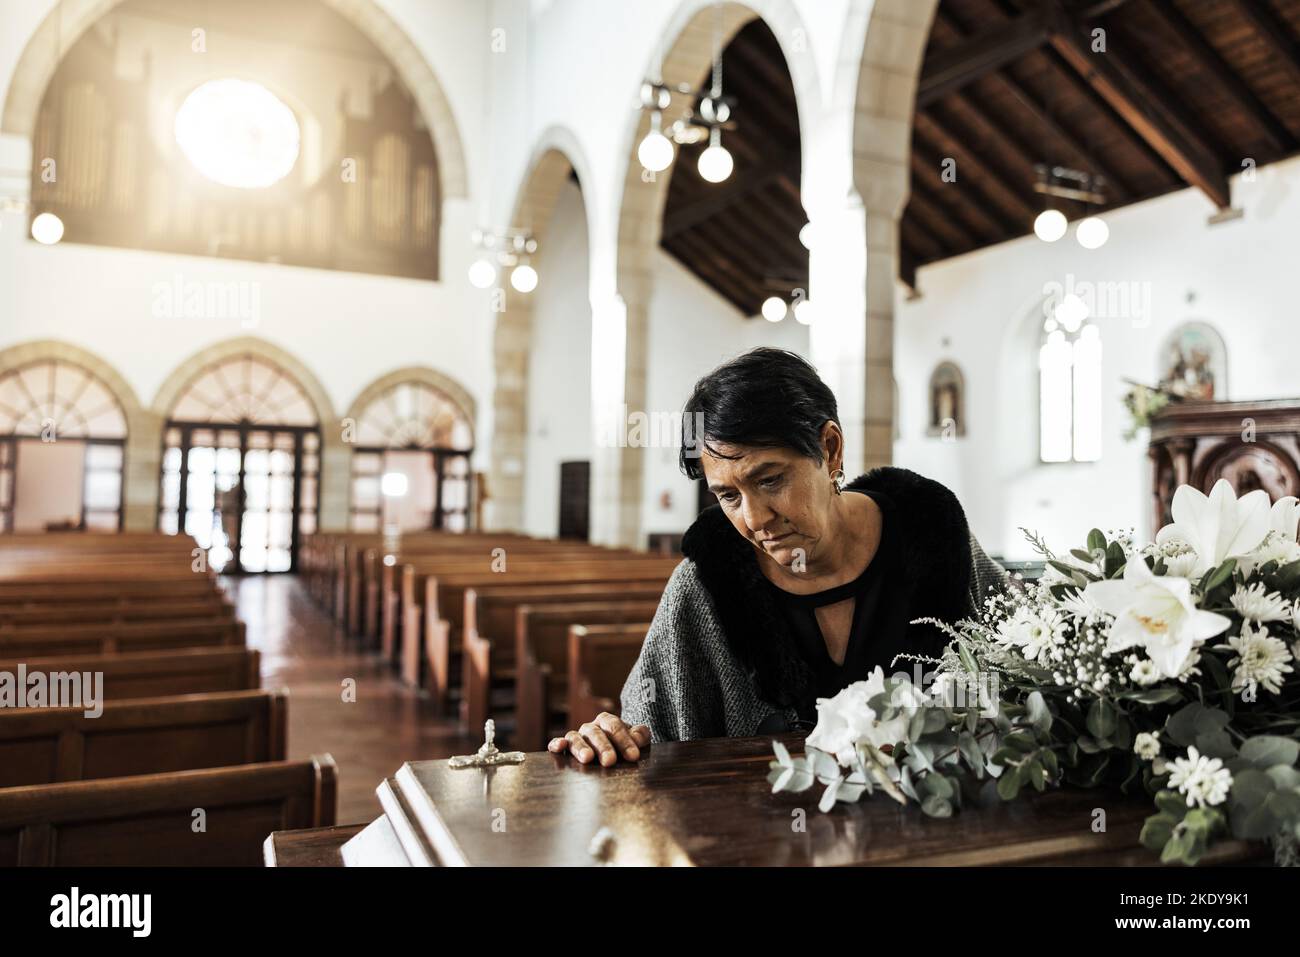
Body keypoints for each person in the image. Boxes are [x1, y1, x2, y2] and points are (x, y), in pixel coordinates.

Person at [548, 347, 1007, 766]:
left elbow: (1024, 677)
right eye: (727, 496)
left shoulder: (932, 534)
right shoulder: (707, 585)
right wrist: (609, 736)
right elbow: (646, 730)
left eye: (769, 480)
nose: (755, 519)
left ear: (830, 450)